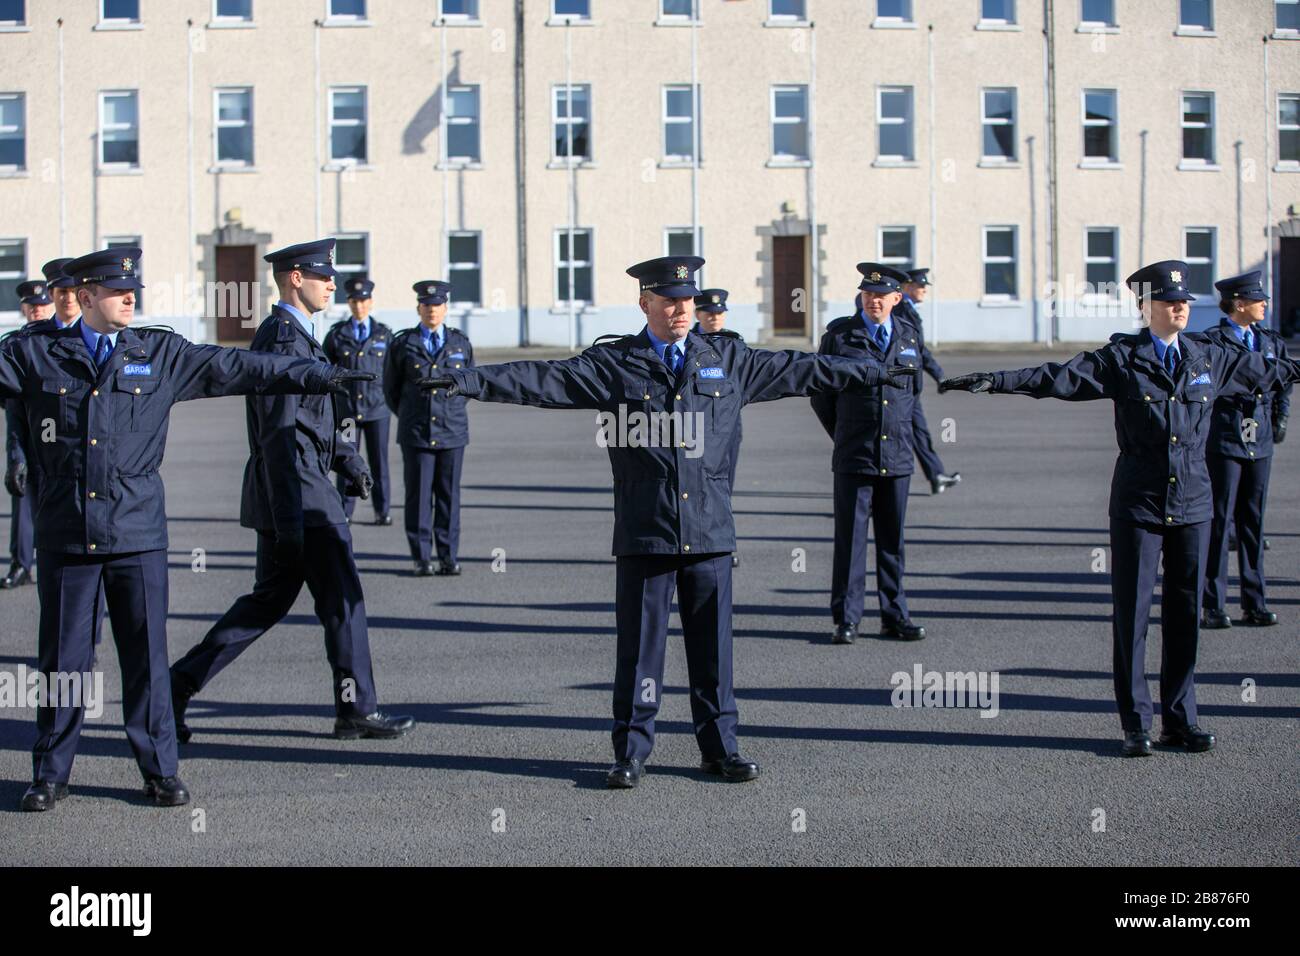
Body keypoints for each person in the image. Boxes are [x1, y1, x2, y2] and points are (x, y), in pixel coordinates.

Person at [418, 255, 916, 788]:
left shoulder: (727, 359)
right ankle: (631, 752)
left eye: (686, 299)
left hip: (708, 528)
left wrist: (869, 370)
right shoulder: (616, 363)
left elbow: (802, 369)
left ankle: (720, 748)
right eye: (669, 300)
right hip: (646, 529)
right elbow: (543, 378)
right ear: (645, 303)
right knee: (639, 651)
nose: (681, 308)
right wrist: (469, 380)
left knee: (714, 653)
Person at [0, 246, 371, 811]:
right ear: (85, 293)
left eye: (133, 289)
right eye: (115, 288)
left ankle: (159, 769)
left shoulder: (158, 352)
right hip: (67, 535)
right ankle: (51, 772)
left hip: (137, 535)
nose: (130, 296)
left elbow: (241, 367)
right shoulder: (34, 354)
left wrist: (318, 374)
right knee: (64, 660)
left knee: (145, 656)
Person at [940, 260, 1300, 758]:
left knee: (1185, 615)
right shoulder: (1122, 358)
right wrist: (996, 380)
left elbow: (1280, 370)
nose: (1180, 307)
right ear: (1145, 307)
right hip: (1139, 503)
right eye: (1169, 301)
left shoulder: (1208, 357)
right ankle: (1136, 723)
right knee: (1132, 614)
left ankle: (1181, 719)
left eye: (1184, 301)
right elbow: (1057, 378)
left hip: (1194, 502)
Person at [171, 239, 414, 743]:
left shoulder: (295, 336)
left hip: (298, 487)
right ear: (295, 279)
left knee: (266, 603)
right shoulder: (284, 341)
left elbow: (308, 421)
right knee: (343, 599)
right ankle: (356, 709)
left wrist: (346, 458)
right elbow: (279, 435)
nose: (333, 283)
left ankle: (175, 687)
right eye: (323, 274)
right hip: (298, 493)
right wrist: (288, 521)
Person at [813, 264, 928, 645]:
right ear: (861, 296)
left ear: (898, 298)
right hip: (855, 455)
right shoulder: (840, 336)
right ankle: (846, 619)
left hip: (896, 456)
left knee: (892, 542)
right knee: (850, 541)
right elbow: (821, 393)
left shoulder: (909, 336)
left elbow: (913, 397)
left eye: (882, 295)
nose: (874, 300)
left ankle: (894, 616)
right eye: (868, 293)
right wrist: (843, 433)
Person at [1198, 271, 1290, 629]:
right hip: (1225, 438)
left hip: (1260, 440)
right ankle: (1213, 604)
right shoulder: (1213, 342)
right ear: (1239, 304)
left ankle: (1255, 602)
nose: (1264, 304)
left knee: (1253, 524)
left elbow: (1283, 384)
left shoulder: (1270, 342)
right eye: (1258, 299)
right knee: (1220, 522)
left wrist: (1280, 418)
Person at [382, 280, 472, 576]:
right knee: (418, 498)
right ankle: (422, 557)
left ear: (445, 308)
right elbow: (391, 390)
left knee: (449, 497)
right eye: (426, 305)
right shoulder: (402, 344)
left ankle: (448, 556)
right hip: (417, 432)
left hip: (451, 431)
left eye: (437, 306)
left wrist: (448, 412)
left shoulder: (460, 343)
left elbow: (468, 388)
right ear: (418, 308)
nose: (432, 310)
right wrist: (411, 415)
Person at [323, 277, 394, 525]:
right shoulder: (337, 335)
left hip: (377, 409)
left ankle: (382, 510)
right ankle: (346, 509)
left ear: (371, 302)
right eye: (354, 301)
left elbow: (393, 373)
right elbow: (325, 371)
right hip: (348, 411)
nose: (359, 306)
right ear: (348, 303)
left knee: (379, 461)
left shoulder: (384, 335)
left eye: (363, 301)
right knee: (346, 460)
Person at [1, 278, 55, 589]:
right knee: (22, 498)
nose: (37, 311)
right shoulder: (11, 345)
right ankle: (21, 564)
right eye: (32, 307)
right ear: (24, 309)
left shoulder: (64, 340)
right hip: (25, 434)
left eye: (42, 306)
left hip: (60, 437)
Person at [894, 269, 960, 494]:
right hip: (901, 386)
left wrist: (939, 376)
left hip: (909, 386)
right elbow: (914, 350)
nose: (924, 290)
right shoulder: (901, 311)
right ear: (908, 287)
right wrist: (938, 375)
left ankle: (936, 475)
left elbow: (919, 350)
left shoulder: (909, 310)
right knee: (901, 433)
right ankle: (878, 490)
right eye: (920, 286)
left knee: (918, 431)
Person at [692, 288, 743, 568]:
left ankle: (725, 546)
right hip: (699, 429)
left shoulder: (734, 345)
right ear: (698, 314)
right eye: (709, 313)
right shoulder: (688, 343)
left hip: (728, 428)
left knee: (724, 489)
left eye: (719, 313)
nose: (715, 318)